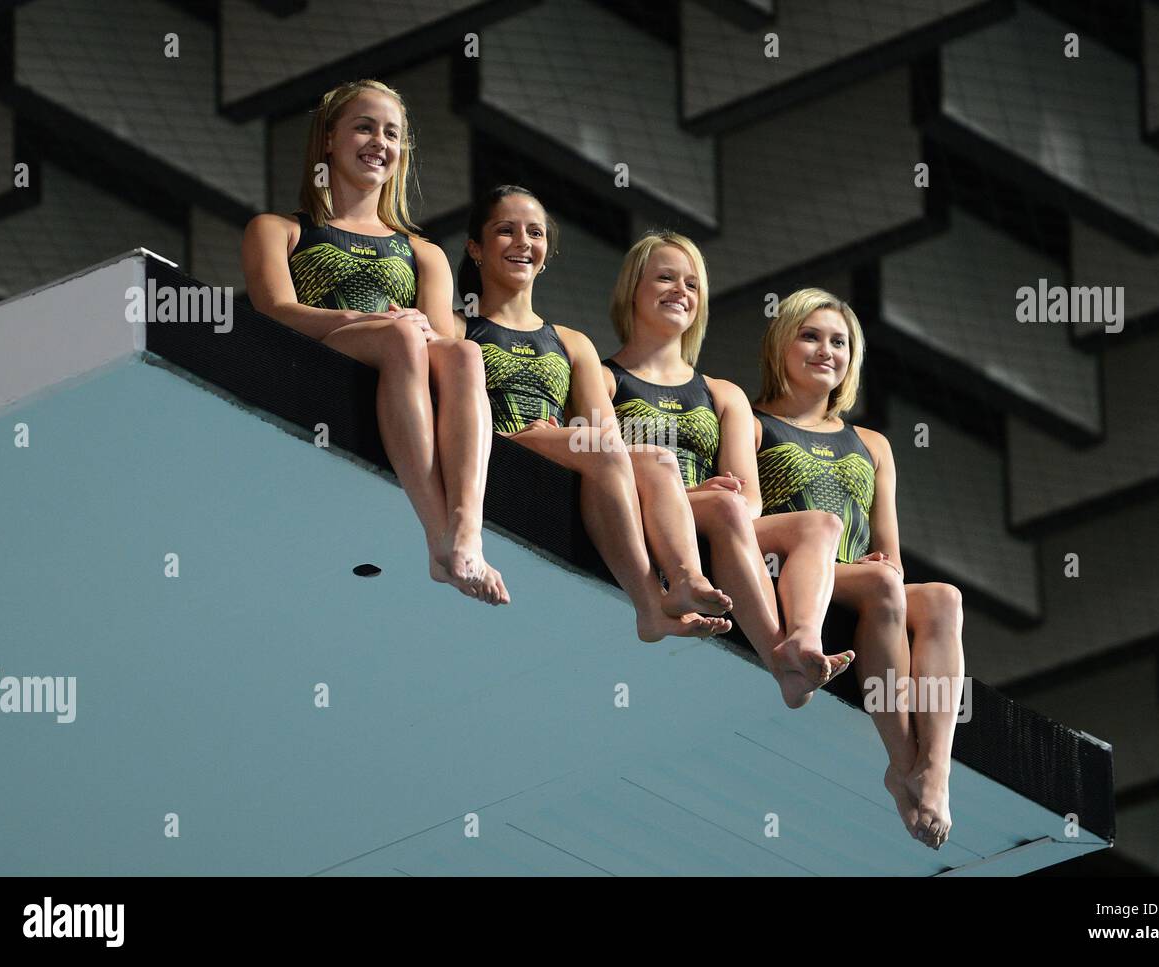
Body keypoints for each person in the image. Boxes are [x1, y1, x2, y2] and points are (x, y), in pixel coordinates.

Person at [242, 79, 508, 605]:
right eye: (364, 127)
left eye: (392, 133)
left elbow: (437, 335)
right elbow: (275, 311)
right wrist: (367, 319)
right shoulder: (278, 230)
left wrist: (413, 328)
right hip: (318, 362)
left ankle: (466, 529)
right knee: (403, 336)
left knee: (465, 351)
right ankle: (437, 539)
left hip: (401, 358)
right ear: (328, 140)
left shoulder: (423, 252)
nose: (379, 142)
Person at [456, 186, 733, 641]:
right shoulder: (458, 325)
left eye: (535, 233)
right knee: (609, 448)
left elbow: (609, 438)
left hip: (556, 448)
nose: (523, 242)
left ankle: (684, 579)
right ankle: (648, 604)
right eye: (505, 231)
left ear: (546, 253)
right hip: (498, 446)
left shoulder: (572, 342)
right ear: (475, 248)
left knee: (655, 457)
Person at [603, 233, 854, 708]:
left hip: (715, 517)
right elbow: (602, 467)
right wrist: (702, 494)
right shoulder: (603, 377)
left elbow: (752, 500)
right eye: (665, 277)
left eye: (693, 284)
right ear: (633, 288)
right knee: (715, 499)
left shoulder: (724, 394)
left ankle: (801, 638)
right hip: (641, 509)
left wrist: (715, 499)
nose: (681, 290)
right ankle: (780, 664)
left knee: (821, 523)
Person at [754, 288, 966, 849]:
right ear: (782, 345)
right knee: (879, 582)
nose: (826, 350)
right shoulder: (752, 423)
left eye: (839, 342)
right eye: (810, 336)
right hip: (789, 574)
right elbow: (746, 527)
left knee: (943, 596)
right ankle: (901, 767)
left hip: (857, 574)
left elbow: (889, 548)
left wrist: (883, 564)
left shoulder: (871, 443)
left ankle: (935, 770)